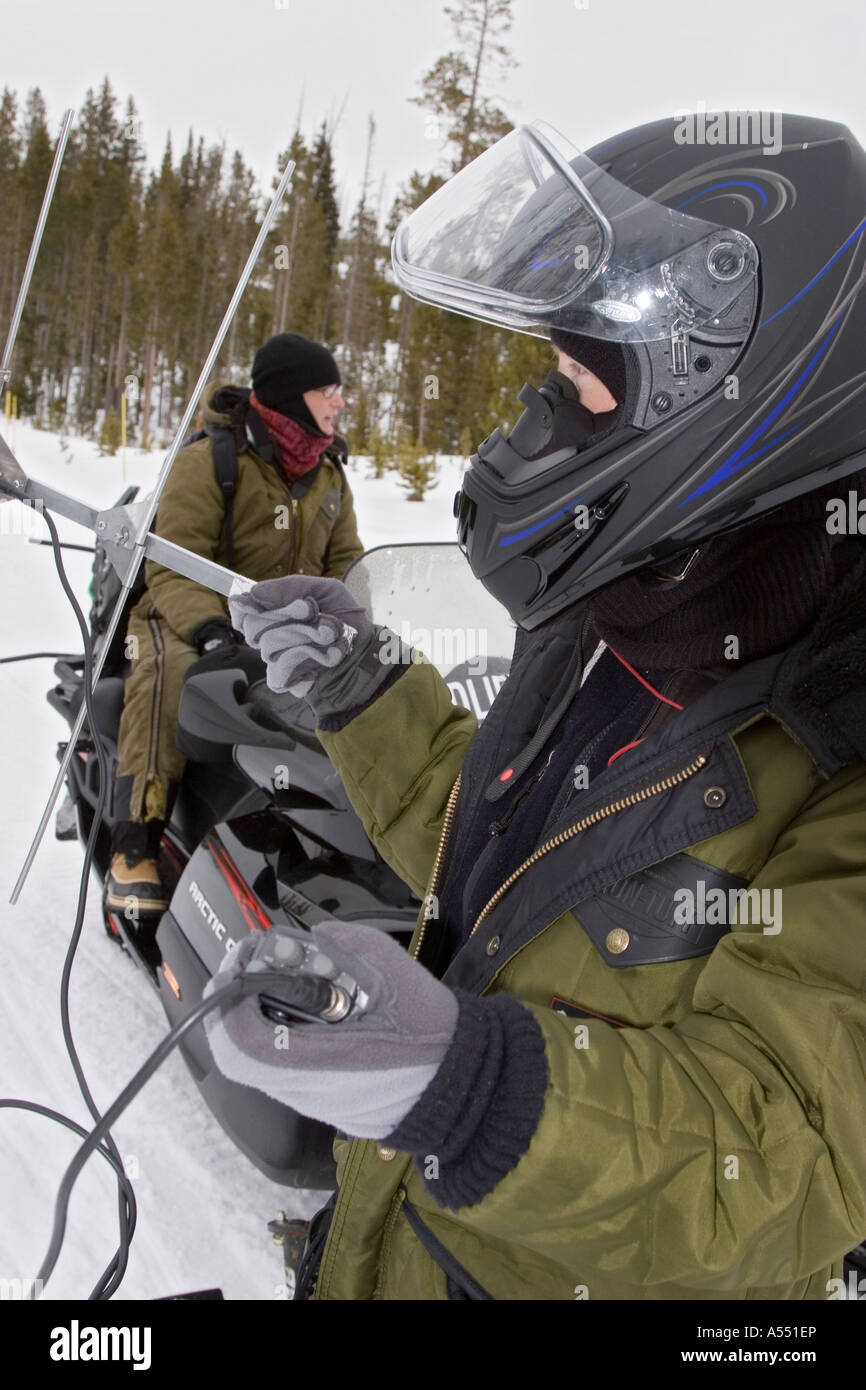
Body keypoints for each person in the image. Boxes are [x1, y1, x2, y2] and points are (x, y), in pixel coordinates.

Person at [206, 112, 866, 1300]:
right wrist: (366, 692)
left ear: (727, 397)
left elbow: (785, 1161)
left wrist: (473, 1089)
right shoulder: (624, 615)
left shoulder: (841, 745)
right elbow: (515, 867)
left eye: (574, 380)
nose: (533, 414)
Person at [106, 334, 364, 924]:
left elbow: (348, 567)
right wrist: (211, 630)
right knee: (170, 675)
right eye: (329, 391)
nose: (339, 403)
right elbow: (170, 561)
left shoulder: (328, 475)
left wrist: (356, 631)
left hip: (278, 627)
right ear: (291, 396)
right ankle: (135, 842)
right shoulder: (210, 461)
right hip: (186, 612)